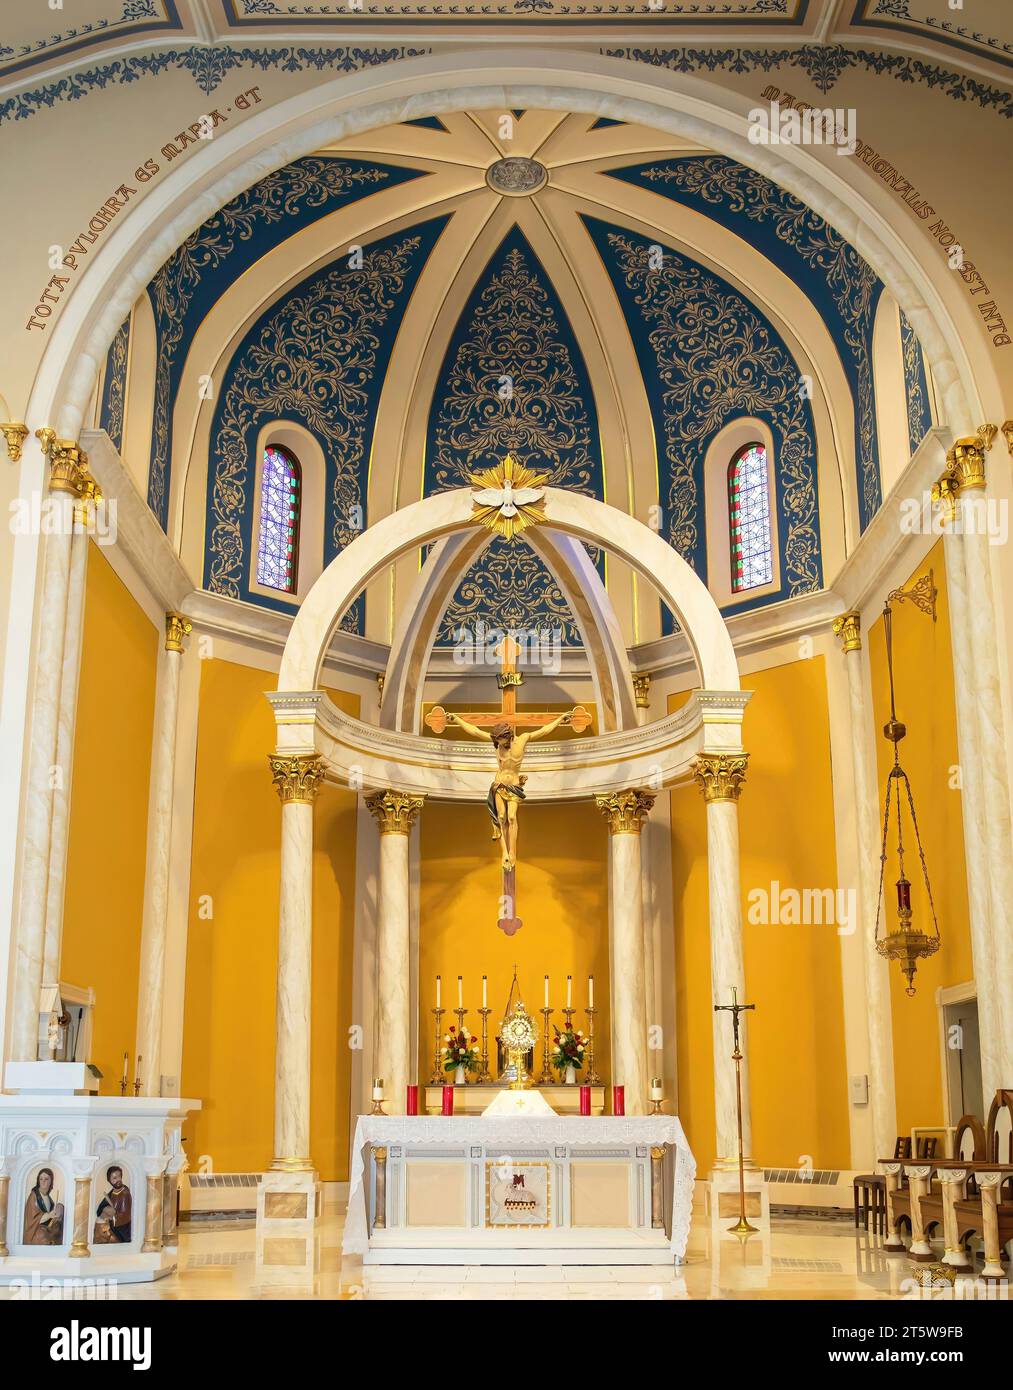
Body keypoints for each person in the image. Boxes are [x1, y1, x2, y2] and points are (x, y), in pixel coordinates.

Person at [445, 710, 572, 871]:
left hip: (514, 786)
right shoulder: (497, 743)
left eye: (502, 740)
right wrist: (456, 719)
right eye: (497, 741)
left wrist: (560, 719)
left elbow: (543, 731)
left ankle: (513, 852)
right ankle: (504, 852)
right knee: (502, 817)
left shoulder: (523, 739)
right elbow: (475, 731)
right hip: (499, 784)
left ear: (509, 736)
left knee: (512, 817)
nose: (499, 744)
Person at [23, 1167, 64, 1245]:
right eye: (41, 1179)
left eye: (46, 1179)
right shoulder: (33, 1196)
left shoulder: (49, 1199)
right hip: (35, 1231)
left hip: (47, 1229)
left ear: (51, 1181)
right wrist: (49, 1215)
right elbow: (32, 1219)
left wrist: (57, 1214)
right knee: (43, 1235)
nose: (43, 1182)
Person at [94, 1165, 132, 1243]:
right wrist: (106, 1210)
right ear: (109, 1181)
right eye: (114, 1178)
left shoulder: (125, 1192)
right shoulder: (111, 1194)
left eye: (119, 1176)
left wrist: (114, 1216)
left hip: (122, 1229)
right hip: (112, 1226)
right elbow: (100, 1210)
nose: (118, 1179)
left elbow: (125, 1214)